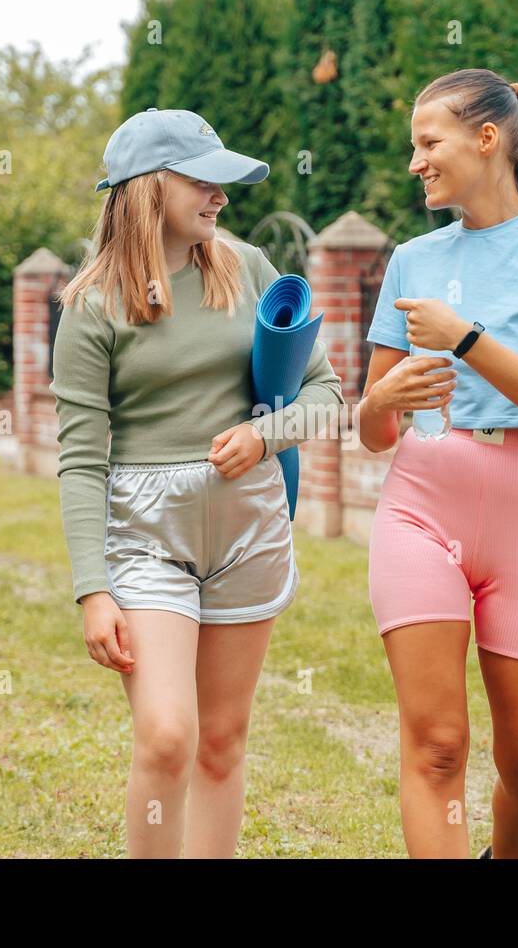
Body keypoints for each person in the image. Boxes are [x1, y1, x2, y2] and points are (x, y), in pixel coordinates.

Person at [51, 107, 345, 858]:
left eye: (225, 183)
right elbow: (82, 459)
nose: (221, 196)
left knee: (220, 742)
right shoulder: (90, 308)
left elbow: (328, 393)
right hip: (146, 536)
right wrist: (94, 588)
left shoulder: (246, 268)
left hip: (249, 524)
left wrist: (263, 434)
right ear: (148, 189)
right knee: (166, 737)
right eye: (205, 180)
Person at [356, 70, 518, 858]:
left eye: (428, 142)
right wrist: (387, 397)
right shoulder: (410, 259)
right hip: (422, 504)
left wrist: (465, 338)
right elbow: (373, 428)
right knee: (437, 743)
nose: (415, 162)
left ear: (488, 138)